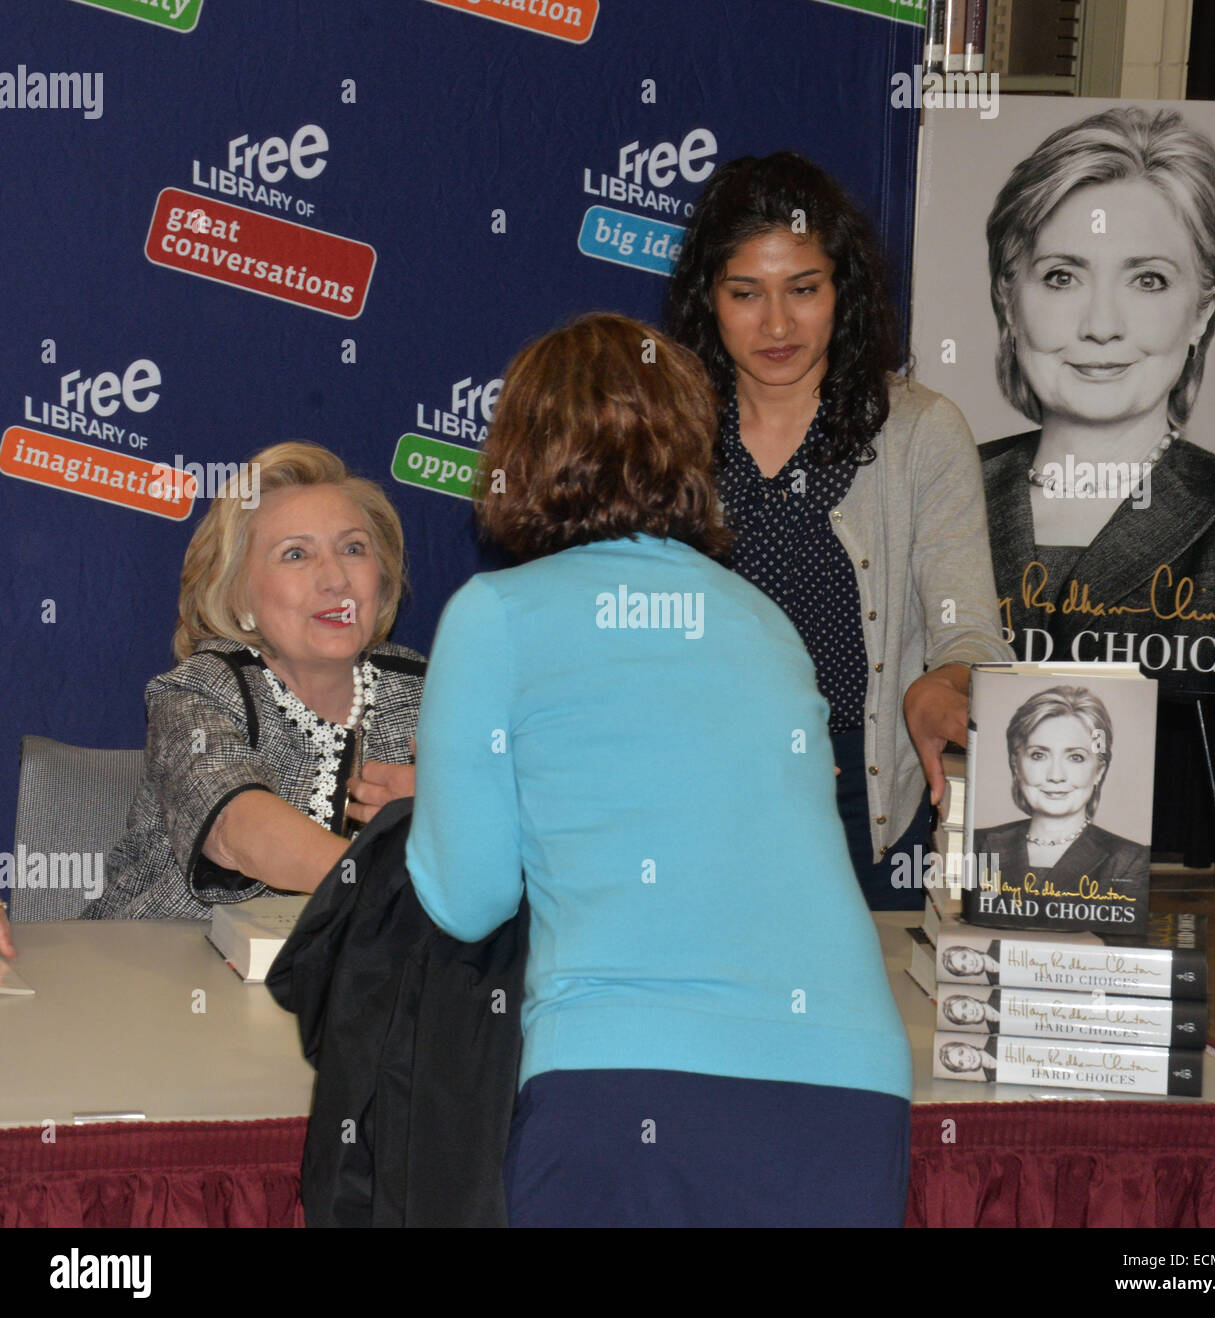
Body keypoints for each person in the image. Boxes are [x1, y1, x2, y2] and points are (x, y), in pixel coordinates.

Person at [406, 313, 911, 1228]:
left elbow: (468, 896)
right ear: (691, 448)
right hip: (847, 1089)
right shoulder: (764, 622)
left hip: (624, 1080)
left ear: (519, 451)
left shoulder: (496, 614)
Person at [667, 151, 1010, 911]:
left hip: (870, 796)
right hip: (698, 788)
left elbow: (969, 631)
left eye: (804, 289)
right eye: (746, 293)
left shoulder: (920, 431)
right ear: (708, 299)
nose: (778, 324)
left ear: (843, 291)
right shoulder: (667, 433)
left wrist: (941, 686)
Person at [980, 107, 1215, 667]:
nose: (1102, 325)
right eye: (1062, 277)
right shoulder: (940, 495)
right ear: (1009, 298)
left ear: (1202, 312)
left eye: (1147, 280)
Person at [86, 443, 424, 920]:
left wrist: (462, 811)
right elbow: (238, 831)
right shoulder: (199, 689)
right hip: (163, 972)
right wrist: (400, 888)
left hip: (359, 982)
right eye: (295, 554)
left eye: (353, 548)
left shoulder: (427, 692)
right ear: (238, 591)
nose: (335, 580)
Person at [972, 685, 1146, 924]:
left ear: (1099, 770)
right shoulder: (977, 845)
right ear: (1016, 764)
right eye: (1038, 755)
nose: (1055, 775)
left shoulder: (1129, 861)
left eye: (1075, 757)